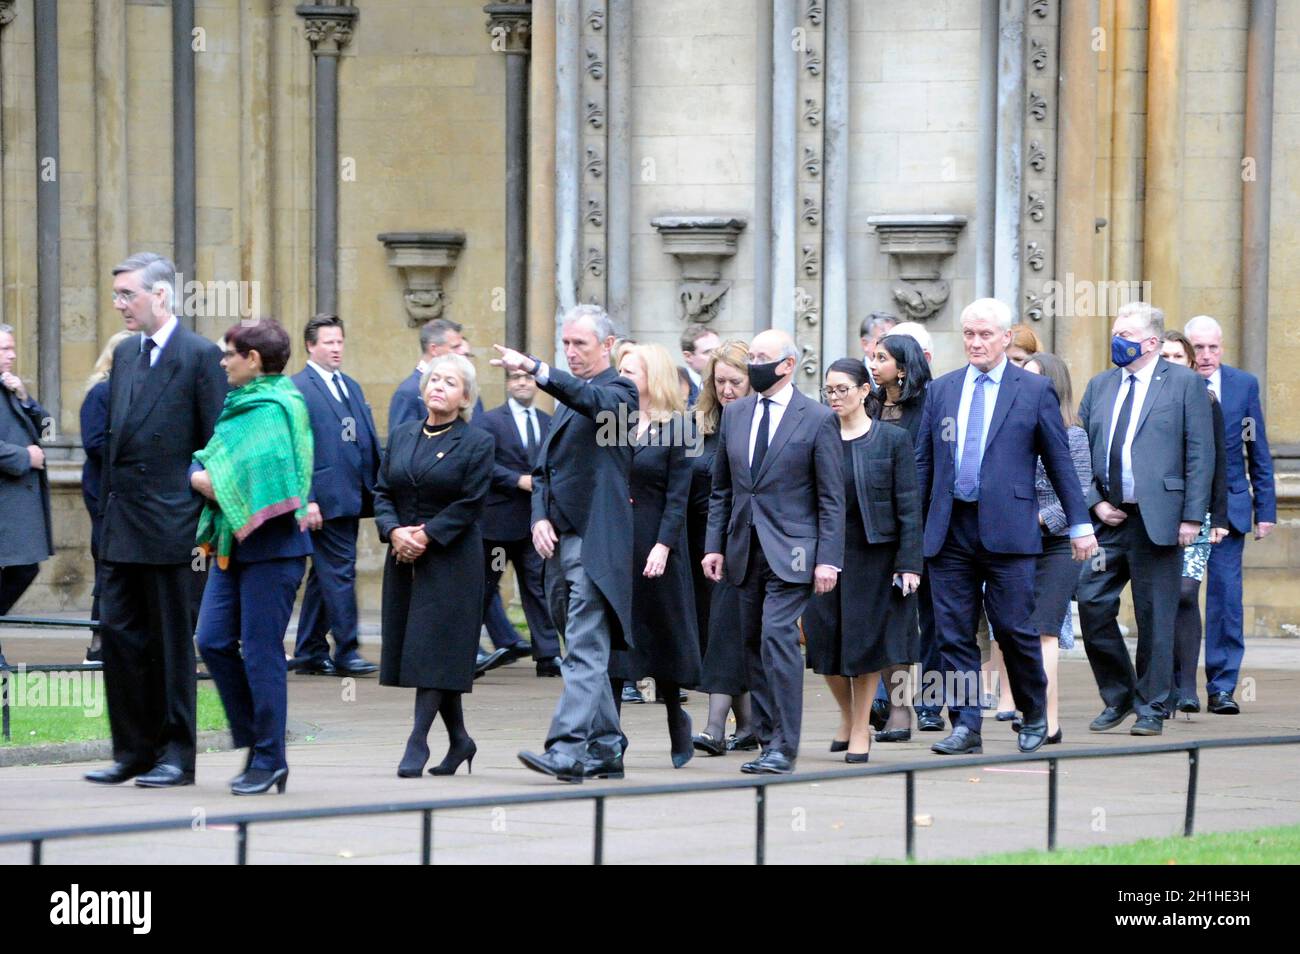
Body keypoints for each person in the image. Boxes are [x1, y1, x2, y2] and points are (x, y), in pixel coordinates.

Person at [915, 298, 1096, 756]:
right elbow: (923, 465)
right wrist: (910, 531)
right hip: (949, 528)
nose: (975, 343)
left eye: (985, 335)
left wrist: (1079, 523)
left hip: (1010, 529)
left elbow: (1060, 462)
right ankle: (965, 726)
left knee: (1015, 629)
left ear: (1005, 338)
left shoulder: (1033, 390)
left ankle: (1034, 714)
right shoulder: (943, 390)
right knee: (953, 633)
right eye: (969, 334)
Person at [85, 252, 227, 788]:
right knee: (120, 640)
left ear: (161, 295)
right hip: (122, 525)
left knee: (170, 647)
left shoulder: (200, 356)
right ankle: (133, 751)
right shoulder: (125, 354)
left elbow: (215, 444)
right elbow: (114, 444)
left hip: (173, 529)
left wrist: (196, 506)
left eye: (128, 294)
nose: (120, 304)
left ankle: (176, 755)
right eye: (117, 294)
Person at [494, 304, 639, 783]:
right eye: (566, 344)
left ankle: (566, 749)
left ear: (608, 346)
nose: (571, 352)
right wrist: (538, 517)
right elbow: (542, 471)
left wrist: (537, 369)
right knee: (579, 647)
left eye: (580, 343)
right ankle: (607, 747)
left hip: (595, 543)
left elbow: (591, 401)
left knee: (583, 647)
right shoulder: (567, 402)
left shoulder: (620, 393)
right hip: (557, 544)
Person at [704, 329, 845, 775]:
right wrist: (714, 546)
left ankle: (785, 744)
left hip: (795, 553)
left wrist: (828, 558)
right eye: (751, 356)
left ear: (787, 364)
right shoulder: (736, 414)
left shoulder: (817, 418)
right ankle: (767, 740)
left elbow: (831, 497)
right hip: (744, 550)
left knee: (777, 637)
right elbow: (723, 489)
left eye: (762, 356)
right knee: (751, 643)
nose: (753, 364)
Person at [1075, 302, 1214, 736]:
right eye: (1115, 332)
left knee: (1155, 616)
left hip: (1160, 519)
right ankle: (1119, 695)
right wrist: (1095, 502)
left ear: (1151, 342)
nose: (1116, 340)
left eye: (1125, 335)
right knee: (1092, 601)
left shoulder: (1185, 384)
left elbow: (1200, 453)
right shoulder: (1100, 385)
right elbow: (1081, 451)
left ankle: (1152, 705)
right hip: (1110, 519)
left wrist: (1192, 517)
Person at [192, 319, 314, 796]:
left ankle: (269, 759)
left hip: (275, 550)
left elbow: (270, 475)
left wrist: (215, 483)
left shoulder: (279, 406)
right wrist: (200, 475)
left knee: (263, 654)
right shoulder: (240, 404)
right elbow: (212, 456)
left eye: (230, 354)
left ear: (254, 359)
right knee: (212, 640)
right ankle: (257, 738)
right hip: (233, 545)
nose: (223, 362)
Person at [375, 353, 495, 777]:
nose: (439, 387)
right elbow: (382, 491)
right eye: (434, 380)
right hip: (403, 557)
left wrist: (425, 536)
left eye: (450, 382)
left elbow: (471, 502)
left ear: (465, 397)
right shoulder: (403, 434)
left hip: (451, 558)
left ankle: (417, 740)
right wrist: (394, 532)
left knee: (435, 648)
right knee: (431, 651)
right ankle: (460, 740)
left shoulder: (477, 442)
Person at [804, 359, 922, 763]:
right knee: (822, 642)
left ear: (864, 390)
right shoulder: (818, 437)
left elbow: (908, 506)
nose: (835, 397)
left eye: (842, 389)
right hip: (825, 553)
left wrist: (909, 563)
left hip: (875, 553)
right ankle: (847, 714)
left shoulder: (891, 440)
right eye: (829, 390)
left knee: (867, 645)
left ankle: (859, 729)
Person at [611, 343, 701, 768]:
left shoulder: (679, 427)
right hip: (616, 540)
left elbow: (679, 497)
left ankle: (675, 718)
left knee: (662, 636)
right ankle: (610, 735)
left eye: (631, 371)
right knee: (615, 637)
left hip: (658, 541)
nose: (622, 378)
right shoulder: (613, 422)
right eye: (621, 370)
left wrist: (663, 545)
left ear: (654, 378)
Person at [1184, 314, 1275, 715]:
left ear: (1222, 347)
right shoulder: (1175, 384)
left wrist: (1265, 509)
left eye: (1212, 347)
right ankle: (1180, 687)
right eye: (1198, 348)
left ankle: (1222, 688)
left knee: (1226, 601)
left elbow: (1258, 448)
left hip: (1232, 508)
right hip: (1183, 511)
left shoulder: (1243, 385)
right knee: (1182, 597)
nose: (1206, 355)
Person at [289, 314, 381, 677]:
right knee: (341, 572)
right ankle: (347, 650)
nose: (336, 348)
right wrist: (308, 498)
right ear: (310, 346)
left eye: (340, 341)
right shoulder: (298, 388)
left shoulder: (350, 385)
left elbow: (364, 439)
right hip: (324, 498)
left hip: (351, 496)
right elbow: (297, 449)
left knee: (325, 574)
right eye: (328, 342)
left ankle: (309, 650)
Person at [868, 333, 941, 733]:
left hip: (922, 522)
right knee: (887, 617)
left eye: (882, 358)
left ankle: (930, 702)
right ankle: (887, 700)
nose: (874, 364)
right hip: (877, 525)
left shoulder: (929, 405)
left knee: (930, 618)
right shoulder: (870, 404)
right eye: (873, 356)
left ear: (903, 366)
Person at [687, 341, 758, 755]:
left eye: (736, 381)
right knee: (721, 634)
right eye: (720, 382)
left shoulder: (759, 424)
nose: (727, 390)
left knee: (726, 632)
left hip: (741, 543)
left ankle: (715, 727)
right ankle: (747, 725)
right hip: (698, 544)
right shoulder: (696, 425)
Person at [1018, 352, 1092, 744]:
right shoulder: (1013, 431)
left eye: (1034, 380)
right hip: (1017, 544)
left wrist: (1033, 520)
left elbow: (1075, 496)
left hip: (1058, 545)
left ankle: (1046, 721)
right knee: (1019, 633)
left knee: (1044, 630)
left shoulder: (1073, 435)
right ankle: (1038, 716)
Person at [475, 367, 561, 676]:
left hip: (535, 523)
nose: (523, 382)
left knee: (538, 587)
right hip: (498, 525)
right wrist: (516, 480)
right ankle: (464, 651)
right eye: (516, 378)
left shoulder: (547, 421)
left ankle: (548, 656)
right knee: (485, 588)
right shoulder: (489, 421)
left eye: (528, 377)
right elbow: (483, 463)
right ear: (508, 383)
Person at [1160, 329, 1229, 714]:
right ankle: (1163, 685)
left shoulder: (1206, 400)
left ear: (1189, 363)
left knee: (1186, 592)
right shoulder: (1146, 398)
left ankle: (1186, 685)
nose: (1171, 363)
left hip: (1196, 510)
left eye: (1177, 357)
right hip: (1154, 510)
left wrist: (1218, 515)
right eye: (1164, 356)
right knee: (1161, 596)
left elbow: (1218, 461)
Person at [79, 330, 137, 664]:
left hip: (131, 494)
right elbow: (94, 443)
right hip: (105, 494)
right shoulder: (101, 393)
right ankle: (97, 643)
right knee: (108, 564)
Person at [0, 324, 53, 672]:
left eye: (12, 348)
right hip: (6, 498)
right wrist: (24, 457)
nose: (13, 355)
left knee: (26, 567)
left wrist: (25, 398)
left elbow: (49, 428)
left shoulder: (10, 386)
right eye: (5, 349)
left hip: (18, 503)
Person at [388, 317, 465, 431]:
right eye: (455, 347)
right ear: (434, 349)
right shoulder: (409, 392)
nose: (462, 352)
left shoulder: (462, 385)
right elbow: (402, 439)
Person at [680, 325, 721, 407]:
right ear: (688, 356)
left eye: (719, 351)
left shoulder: (726, 383)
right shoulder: (675, 387)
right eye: (708, 352)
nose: (716, 356)